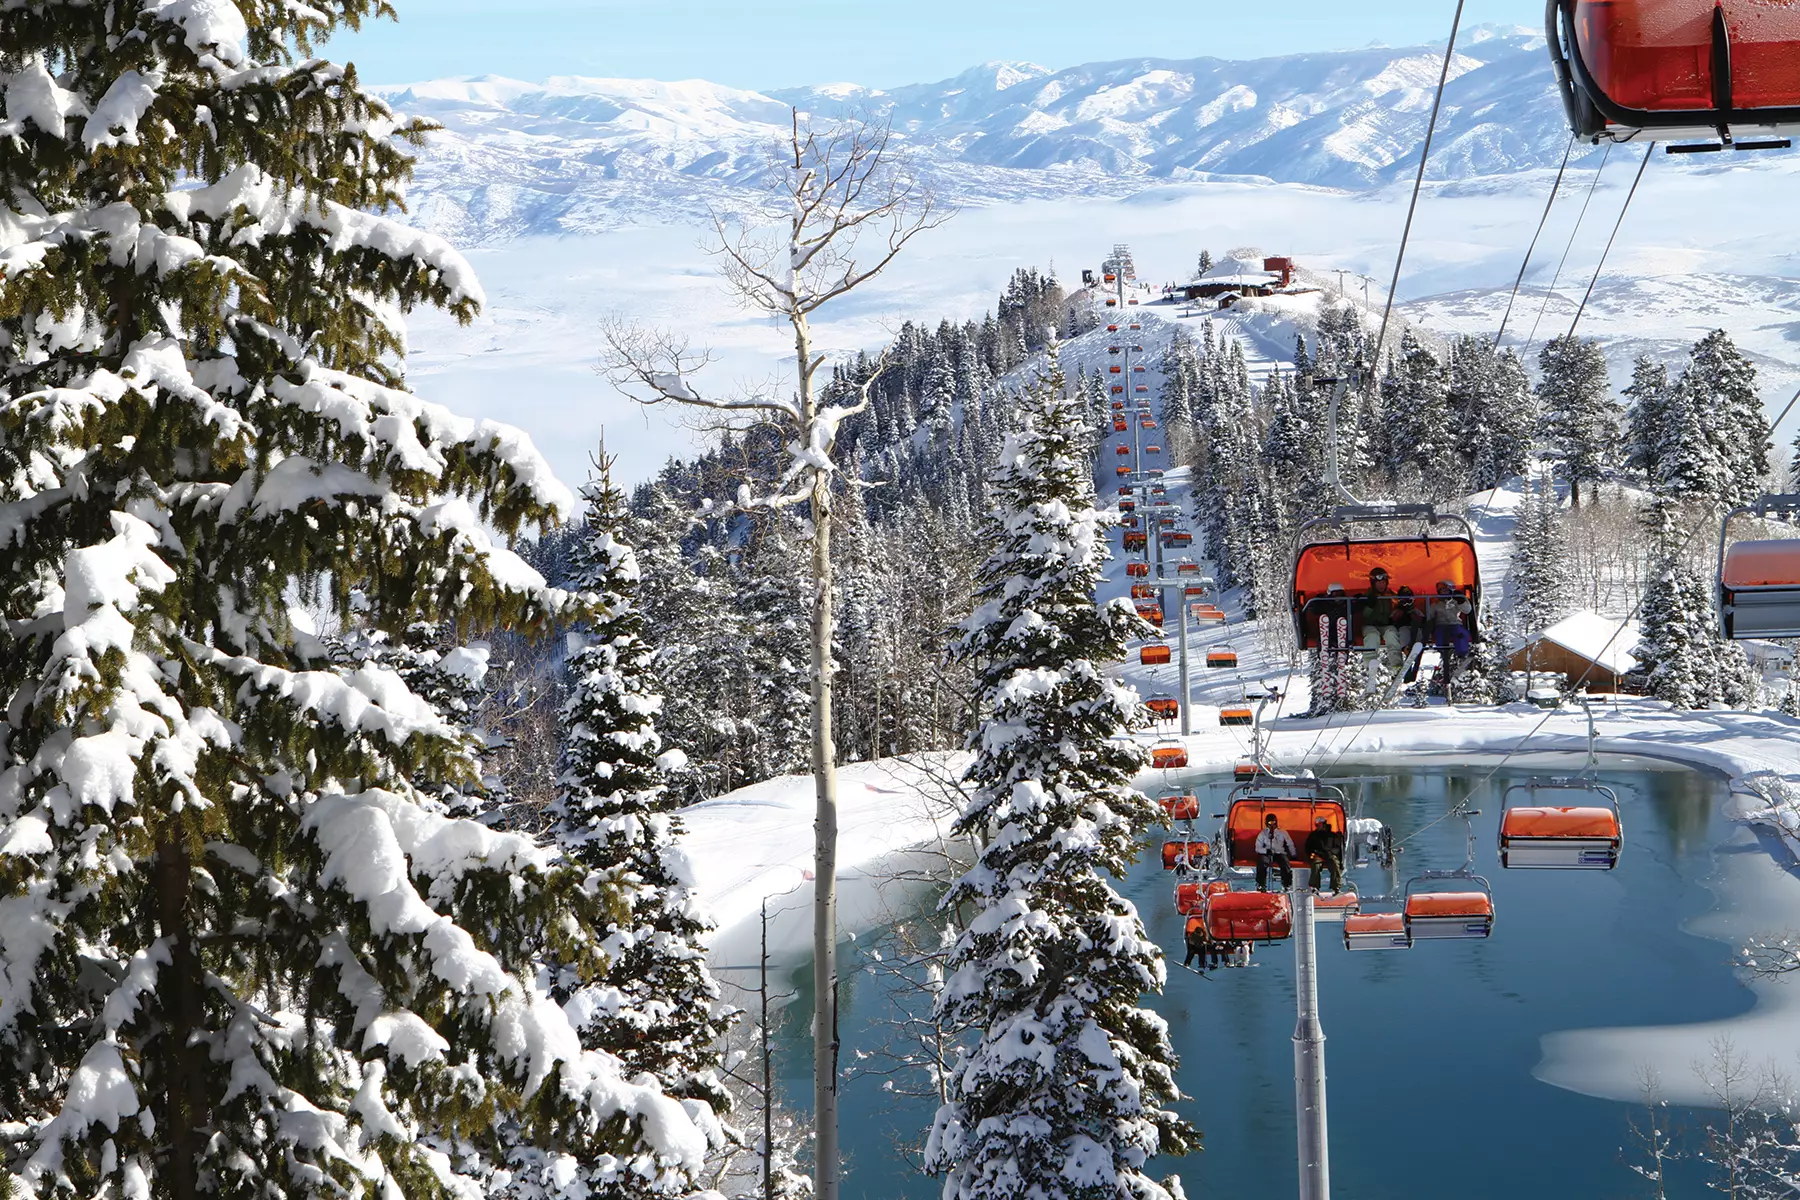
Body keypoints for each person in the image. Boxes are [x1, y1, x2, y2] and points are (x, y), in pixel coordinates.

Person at [1360, 568, 1402, 665]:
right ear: (1373, 583)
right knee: (1372, 636)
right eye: (1378, 583)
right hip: (1370, 625)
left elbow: (1398, 604)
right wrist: (1370, 605)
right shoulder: (1368, 595)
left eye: (1383, 582)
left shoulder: (1390, 594)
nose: (1381, 585)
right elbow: (1364, 615)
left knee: (1392, 634)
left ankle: (1397, 664)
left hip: (1386, 624)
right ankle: (1370, 664)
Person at [1301, 582, 1354, 650]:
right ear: (1329, 594)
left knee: (1342, 621)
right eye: (1335, 594)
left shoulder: (1346, 603)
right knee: (1324, 619)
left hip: (1344, 630)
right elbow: (1314, 610)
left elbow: (1356, 608)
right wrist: (1317, 602)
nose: (1338, 596)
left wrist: (1357, 601)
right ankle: (1325, 647)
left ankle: (1342, 647)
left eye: (1340, 594)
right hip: (1328, 629)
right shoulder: (1324, 602)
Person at [1427, 580, 1473, 656]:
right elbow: (1430, 615)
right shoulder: (1436, 603)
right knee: (1440, 635)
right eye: (1441, 590)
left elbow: (1467, 610)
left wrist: (1461, 602)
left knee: (1460, 634)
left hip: (1455, 623)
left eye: (1446, 590)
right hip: (1441, 625)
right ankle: (1444, 654)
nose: (1444, 592)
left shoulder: (1457, 600)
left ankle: (1462, 654)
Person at [1254, 813, 1296, 891]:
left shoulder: (1282, 832)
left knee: (1285, 863)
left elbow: (1290, 844)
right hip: (1267, 853)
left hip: (1279, 853)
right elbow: (1257, 847)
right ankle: (1261, 884)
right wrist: (1266, 851)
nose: (1272, 825)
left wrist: (1293, 854)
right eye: (1270, 823)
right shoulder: (1263, 834)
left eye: (1274, 822)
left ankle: (1286, 884)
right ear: (1266, 823)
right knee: (1262, 862)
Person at [1304, 817, 1345, 894]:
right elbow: (1308, 847)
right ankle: (1314, 886)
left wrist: (1331, 853)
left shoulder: (1332, 836)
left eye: (1319, 824)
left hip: (1329, 855)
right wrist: (1313, 854)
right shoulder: (1313, 835)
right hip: (1318, 855)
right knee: (1316, 865)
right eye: (1316, 825)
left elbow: (1337, 848)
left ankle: (1336, 887)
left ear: (1324, 824)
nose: (1317, 826)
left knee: (1335, 864)